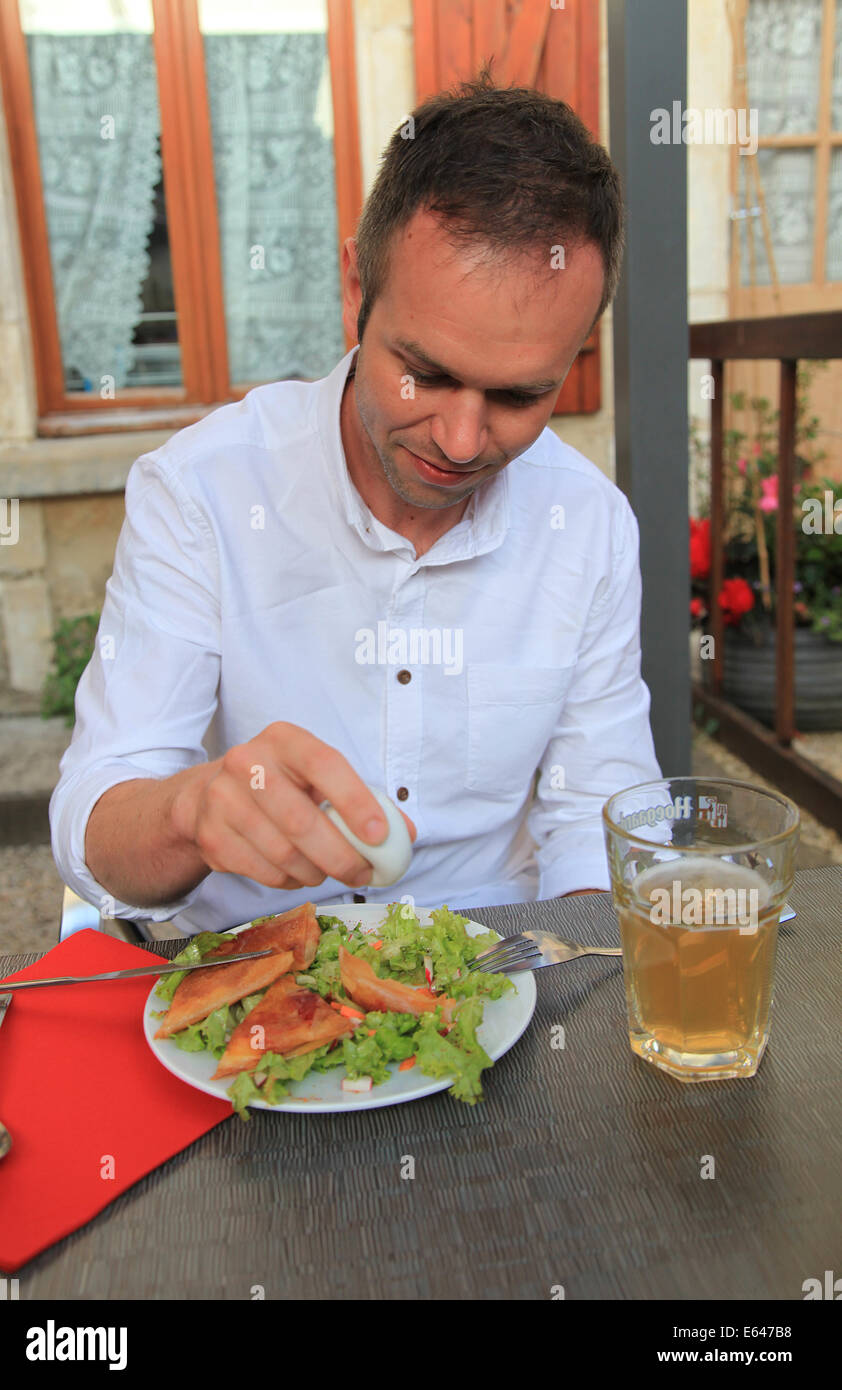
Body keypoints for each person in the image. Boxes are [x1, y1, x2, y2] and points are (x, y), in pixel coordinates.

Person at [49, 70, 661, 936]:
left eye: (520, 396)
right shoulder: (203, 491)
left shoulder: (589, 525)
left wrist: (564, 971)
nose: (459, 439)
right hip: (248, 989)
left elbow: (598, 819)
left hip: (502, 974)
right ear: (353, 289)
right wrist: (192, 811)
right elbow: (93, 826)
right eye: (427, 373)